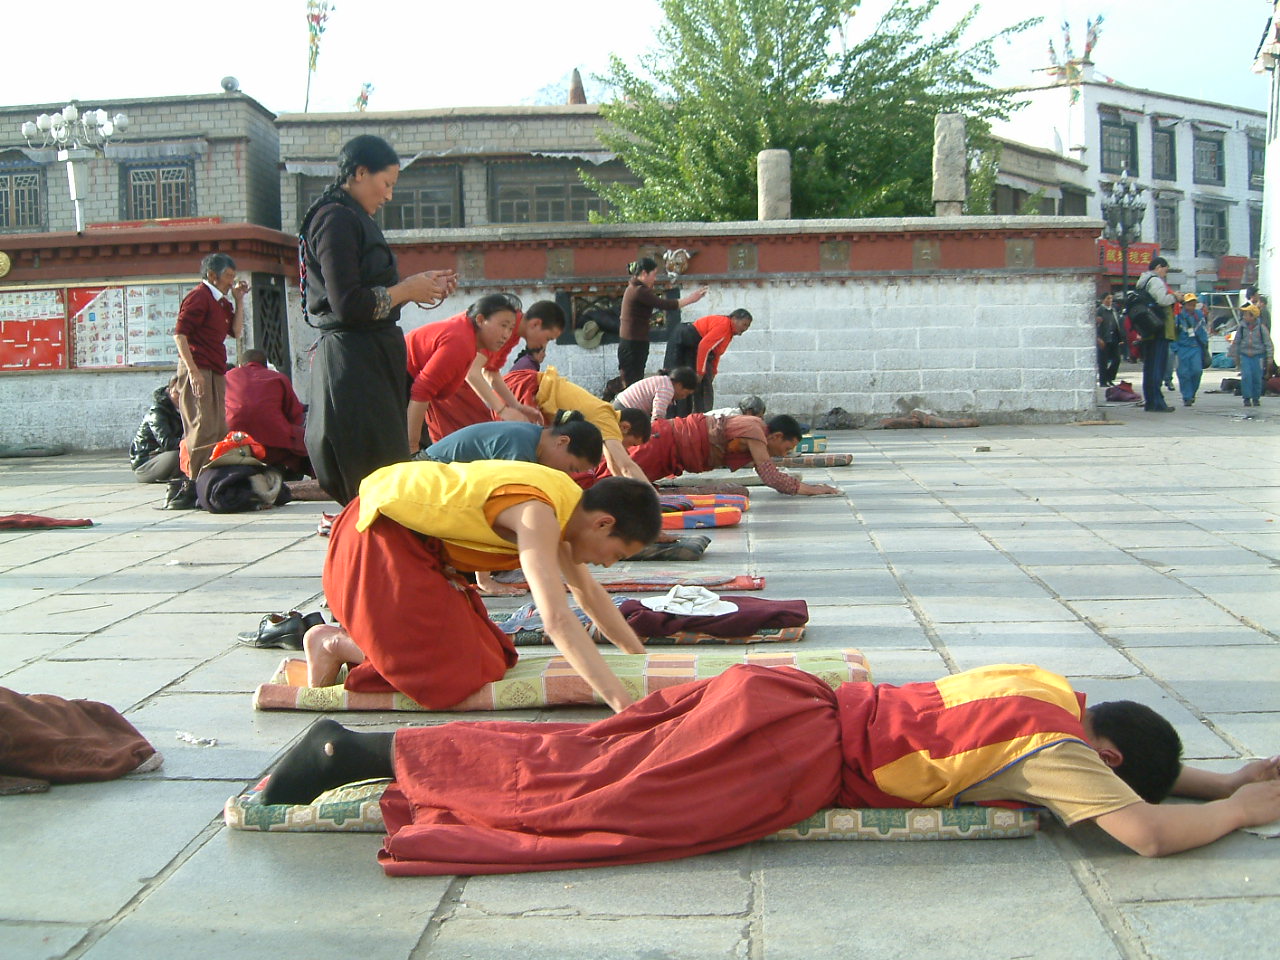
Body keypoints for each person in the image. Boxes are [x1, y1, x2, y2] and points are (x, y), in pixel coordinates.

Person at [260, 662, 1280, 875]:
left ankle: (361, 747)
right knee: (580, 793)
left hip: (780, 695)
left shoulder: (1052, 693)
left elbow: (1133, 777)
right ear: (1096, 758)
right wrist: (1235, 819)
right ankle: (347, 749)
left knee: (582, 753)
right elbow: (1138, 829)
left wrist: (1229, 781)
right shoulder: (1060, 756)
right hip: (786, 753)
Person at [299, 460, 661, 713]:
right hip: (377, 538)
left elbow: (588, 593)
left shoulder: (571, 509)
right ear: (602, 524)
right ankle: (334, 643)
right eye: (617, 553)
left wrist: (639, 658)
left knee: (493, 656)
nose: (609, 564)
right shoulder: (540, 514)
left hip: (415, 549)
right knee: (454, 674)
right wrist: (621, 704)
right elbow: (556, 618)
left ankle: (376, 643)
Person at [300, 134, 458, 505]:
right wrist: (407, 290)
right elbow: (348, 304)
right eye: (385, 184)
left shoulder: (356, 217)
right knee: (370, 474)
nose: (388, 195)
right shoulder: (335, 219)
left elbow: (375, 291)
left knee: (387, 468)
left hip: (371, 355)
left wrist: (420, 286)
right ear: (359, 173)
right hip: (352, 362)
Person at [414, 412, 606, 594]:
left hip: (440, 480)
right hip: (424, 480)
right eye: (571, 467)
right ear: (562, 442)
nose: (567, 475)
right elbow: (491, 504)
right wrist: (485, 579)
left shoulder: (533, 439)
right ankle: (479, 577)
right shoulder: (518, 449)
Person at [423, 299, 567, 443]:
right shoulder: (503, 324)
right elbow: (472, 373)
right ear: (536, 324)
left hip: (456, 379)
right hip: (443, 376)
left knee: (482, 433)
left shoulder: (512, 329)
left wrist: (517, 406)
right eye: (547, 338)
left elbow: (491, 373)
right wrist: (502, 410)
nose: (544, 345)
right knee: (470, 439)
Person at [602, 411, 839, 496]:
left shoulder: (754, 428)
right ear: (776, 437)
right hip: (662, 444)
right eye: (786, 448)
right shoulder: (755, 431)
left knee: (614, 474)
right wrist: (816, 490)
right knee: (609, 477)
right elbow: (770, 476)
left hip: (668, 450)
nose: (783, 453)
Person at [170, 252, 246, 506]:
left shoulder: (223, 303)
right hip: (198, 367)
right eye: (227, 277)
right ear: (212, 275)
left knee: (217, 427)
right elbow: (180, 335)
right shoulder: (199, 297)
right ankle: (194, 482)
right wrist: (192, 372)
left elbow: (235, 331)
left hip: (215, 368)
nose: (230, 282)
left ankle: (210, 480)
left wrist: (239, 300)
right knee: (200, 426)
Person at [404, 295, 519, 454]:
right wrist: (411, 448)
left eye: (511, 328)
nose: (506, 335)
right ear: (480, 320)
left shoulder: (470, 338)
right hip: (395, 379)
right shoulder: (460, 342)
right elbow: (421, 391)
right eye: (503, 325)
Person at [504, 366, 654, 484]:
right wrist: (652, 498)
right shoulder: (608, 420)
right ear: (625, 427)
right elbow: (625, 466)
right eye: (631, 444)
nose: (627, 449)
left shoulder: (605, 418)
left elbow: (613, 466)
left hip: (525, 385)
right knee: (520, 457)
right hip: (525, 387)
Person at [618, 257, 707, 387]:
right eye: (653, 275)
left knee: (632, 380)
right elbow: (665, 304)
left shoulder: (635, 288)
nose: (655, 279)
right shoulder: (638, 291)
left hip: (634, 342)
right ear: (644, 274)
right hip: (633, 344)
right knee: (632, 383)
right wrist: (691, 299)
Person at [224, 349, 310, 475]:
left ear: (240, 365)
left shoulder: (228, 377)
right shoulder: (279, 378)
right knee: (304, 442)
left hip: (235, 441)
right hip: (273, 445)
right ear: (265, 365)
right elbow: (295, 414)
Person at [665, 310, 753, 415]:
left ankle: (700, 418)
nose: (745, 329)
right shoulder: (724, 325)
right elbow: (704, 347)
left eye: (747, 327)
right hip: (683, 342)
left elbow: (715, 354)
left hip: (693, 347)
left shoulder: (728, 333)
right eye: (744, 324)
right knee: (681, 383)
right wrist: (700, 373)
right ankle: (678, 418)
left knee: (703, 384)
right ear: (734, 319)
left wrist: (713, 373)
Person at [1134, 257, 1177, 413]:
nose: (1165, 274)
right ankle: (1157, 402)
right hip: (1159, 330)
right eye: (1165, 270)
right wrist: (1176, 297)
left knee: (1150, 367)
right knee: (1157, 367)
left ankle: (1151, 401)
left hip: (1148, 330)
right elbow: (1163, 300)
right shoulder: (1155, 281)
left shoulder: (1143, 281)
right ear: (1159, 267)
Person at [129, 378, 184, 484]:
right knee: (179, 454)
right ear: (169, 390)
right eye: (177, 393)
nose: (181, 397)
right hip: (146, 464)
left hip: (165, 458)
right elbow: (167, 443)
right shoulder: (157, 413)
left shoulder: (184, 410)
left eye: (184, 393)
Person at [1230, 302, 1275, 408]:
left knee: (1256, 378)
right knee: (1246, 377)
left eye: (1247, 314)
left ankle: (1256, 398)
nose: (1244, 316)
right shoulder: (1241, 328)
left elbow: (1268, 344)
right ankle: (1246, 398)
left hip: (1258, 357)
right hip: (1245, 356)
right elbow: (1236, 342)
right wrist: (1235, 356)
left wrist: (1269, 358)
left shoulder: (1261, 328)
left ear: (1253, 316)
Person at [612, 367, 697, 422]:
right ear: (679, 385)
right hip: (625, 410)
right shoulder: (667, 389)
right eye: (686, 393)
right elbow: (658, 417)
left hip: (622, 405)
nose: (684, 397)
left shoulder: (664, 381)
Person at [1171, 294, 1210, 407]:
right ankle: (1187, 397)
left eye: (1193, 304)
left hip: (1195, 348)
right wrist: (1176, 348)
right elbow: (1173, 334)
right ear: (1184, 305)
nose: (1192, 307)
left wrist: (1205, 345)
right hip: (1182, 349)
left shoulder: (1199, 316)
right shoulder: (1178, 318)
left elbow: (1203, 332)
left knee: (1197, 371)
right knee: (1184, 374)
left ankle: (1192, 393)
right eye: (1189, 304)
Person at [1095, 293, 1123, 387]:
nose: (1110, 300)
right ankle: (1103, 381)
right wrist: (1098, 338)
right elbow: (1094, 326)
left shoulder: (1114, 310)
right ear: (1103, 300)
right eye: (1108, 298)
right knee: (1103, 361)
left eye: (1111, 298)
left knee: (1117, 359)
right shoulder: (1099, 311)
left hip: (1114, 338)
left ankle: (1109, 377)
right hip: (1104, 338)